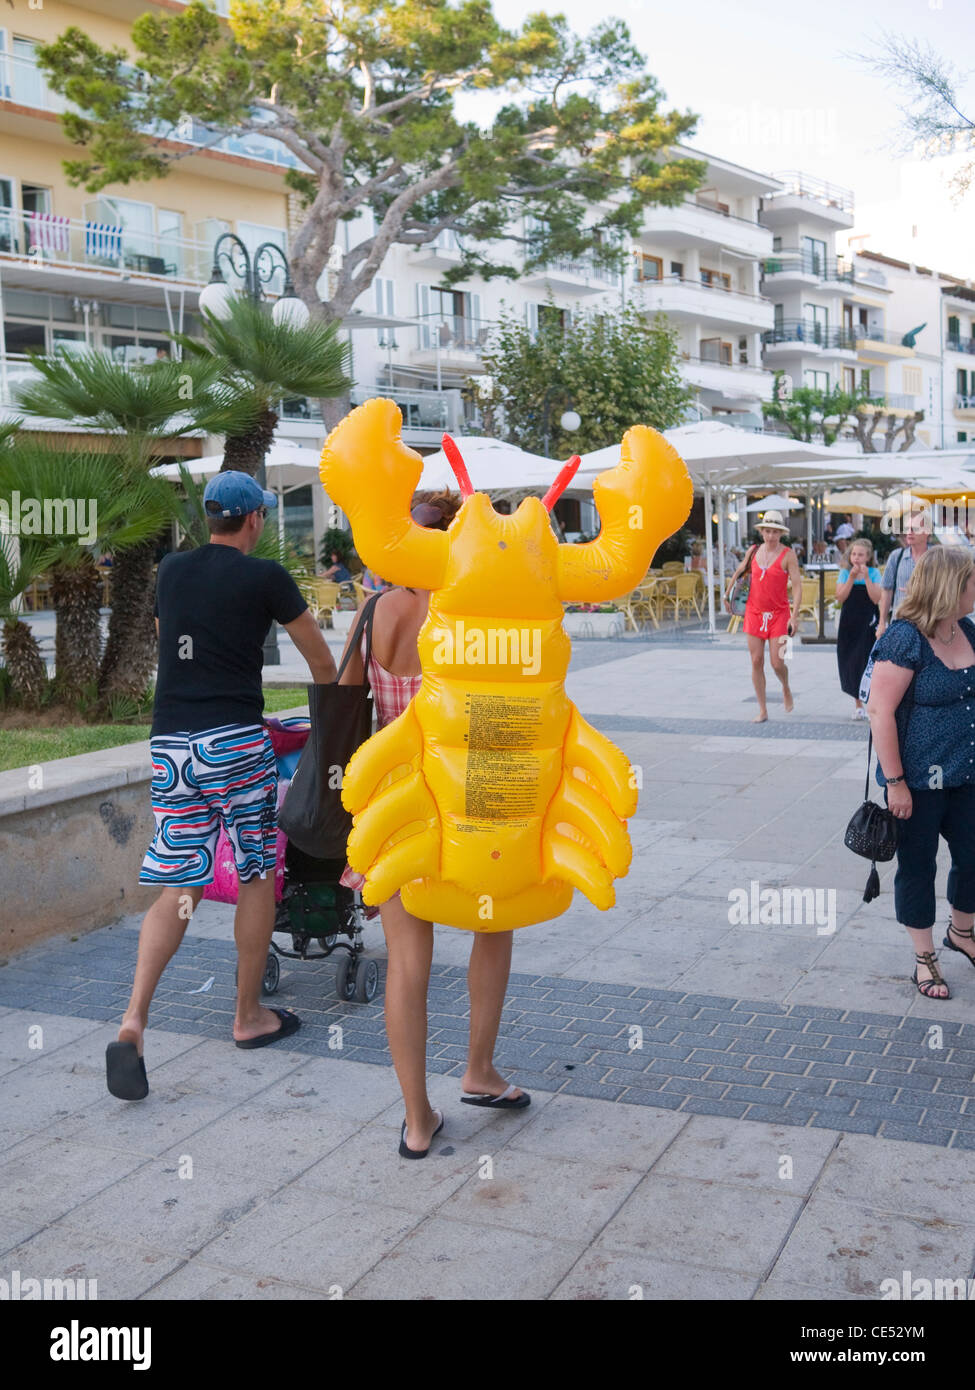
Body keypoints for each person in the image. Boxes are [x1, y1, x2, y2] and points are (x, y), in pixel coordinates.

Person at [106, 472, 338, 1101]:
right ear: (255, 520)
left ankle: (133, 1021)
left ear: (209, 517)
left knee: (182, 881)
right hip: (234, 744)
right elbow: (321, 663)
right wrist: (329, 728)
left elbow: (172, 647)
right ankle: (248, 1017)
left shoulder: (172, 571)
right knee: (259, 871)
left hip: (172, 746)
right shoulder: (265, 577)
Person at [337, 489, 529, 1159]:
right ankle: (478, 1069)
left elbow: (347, 713)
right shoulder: (472, 615)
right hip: (472, 797)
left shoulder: (371, 613)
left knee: (407, 961)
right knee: (492, 926)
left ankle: (418, 1119)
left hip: (393, 799)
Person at [867, 547, 975, 1000]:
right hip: (916, 783)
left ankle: (962, 932)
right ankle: (924, 958)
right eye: (971, 581)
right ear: (950, 587)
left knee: (972, 856)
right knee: (918, 867)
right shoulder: (904, 639)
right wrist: (895, 783)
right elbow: (879, 710)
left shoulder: (966, 628)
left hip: (967, 773)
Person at [724, 510, 801, 722]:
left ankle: (785, 686)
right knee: (756, 660)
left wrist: (794, 616)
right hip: (754, 612)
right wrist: (727, 593)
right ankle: (763, 709)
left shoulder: (788, 555)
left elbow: (797, 586)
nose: (771, 536)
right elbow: (740, 570)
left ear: (781, 534)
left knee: (778, 662)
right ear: (762, 532)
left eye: (775, 532)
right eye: (767, 531)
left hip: (781, 615)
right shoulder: (754, 550)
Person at [835, 537, 882, 719]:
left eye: (861, 554)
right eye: (854, 554)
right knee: (851, 660)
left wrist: (867, 577)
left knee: (869, 660)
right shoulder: (845, 573)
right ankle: (858, 704)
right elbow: (840, 597)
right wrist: (852, 577)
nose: (856, 558)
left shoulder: (875, 573)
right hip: (850, 621)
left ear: (868, 557)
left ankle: (871, 702)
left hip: (868, 620)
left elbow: (876, 598)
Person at [877, 512, 932, 637]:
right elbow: (887, 590)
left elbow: (944, 590)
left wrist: (920, 593)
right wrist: (881, 623)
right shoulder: (897, 556)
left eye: (915, 528)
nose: (909, 532)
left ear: (927, 531)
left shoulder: (937, 558)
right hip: (900, 624)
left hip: (929, 625)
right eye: (907, 528)